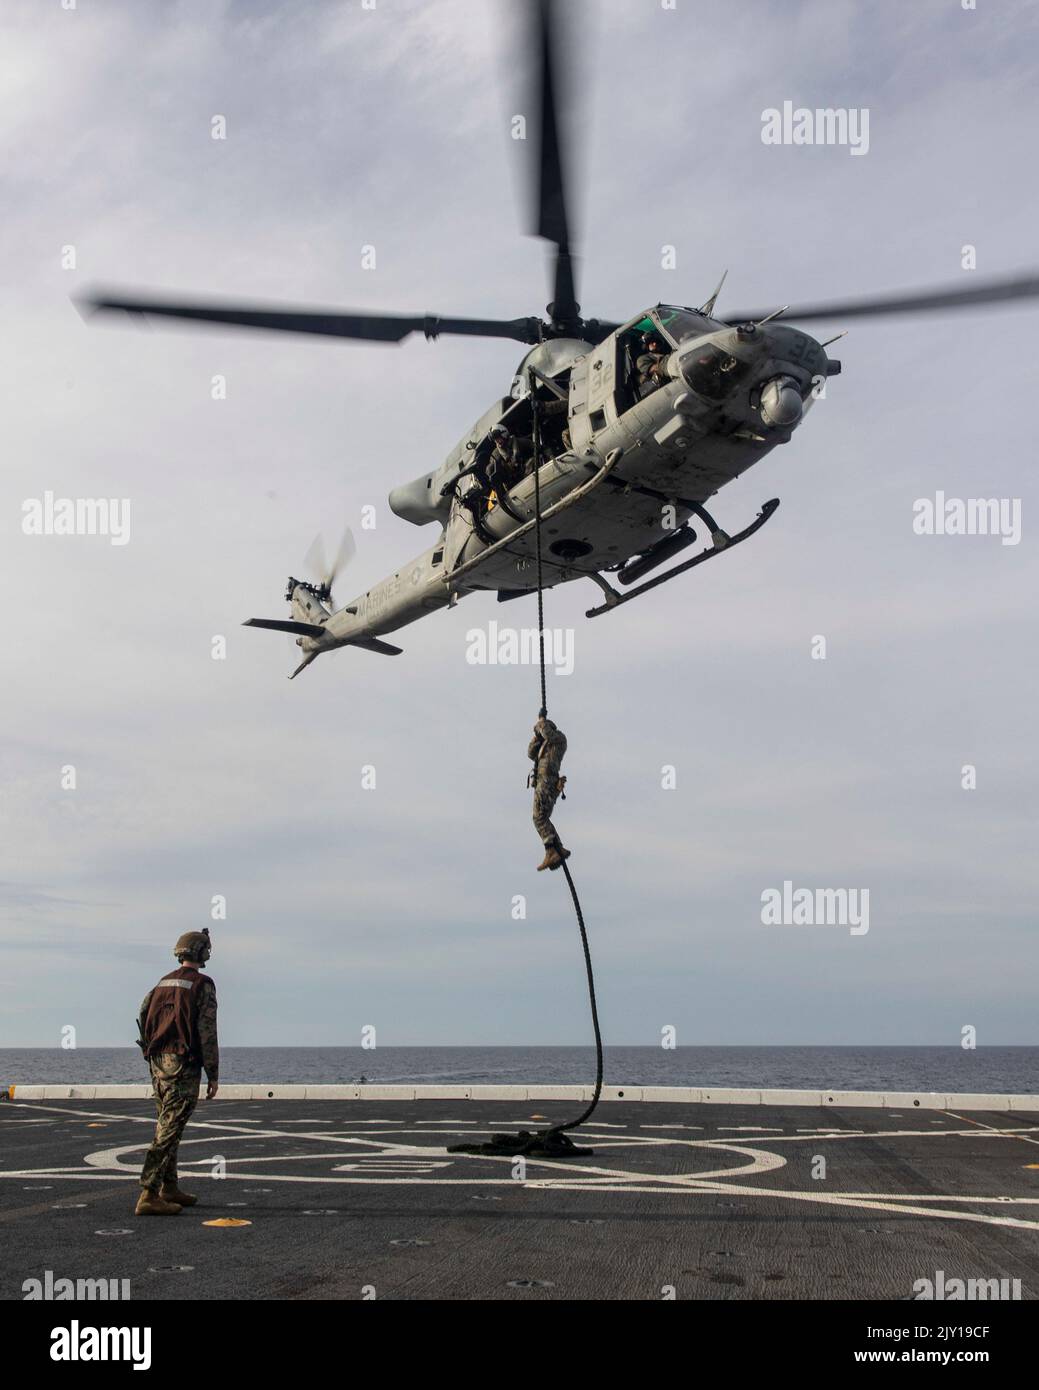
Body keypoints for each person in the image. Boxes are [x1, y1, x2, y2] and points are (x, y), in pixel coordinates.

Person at [134, 928, 219, 1216]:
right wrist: (213, 1072)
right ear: (200, 952)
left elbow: (144, 1014)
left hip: (157, 1061)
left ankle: (169, 1187)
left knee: (168, 1122)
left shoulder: (162, 983)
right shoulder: (202, 985)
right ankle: (148, 1192)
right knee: (170, 1127)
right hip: (183, 1062)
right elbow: (207, 1031)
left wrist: (152, 1052)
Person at [527, 715, 571, 871]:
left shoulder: (558, 739)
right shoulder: (544, 743)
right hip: (543, 781)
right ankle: (556, 848)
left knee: (538, 817)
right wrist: (536, 736)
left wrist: (540, 724)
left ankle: (551, 850)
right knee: (542, 816)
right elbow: (531, 753)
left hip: (547, 780)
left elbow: (548, 734)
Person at [635, 331, 671, 397]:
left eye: (657, 342)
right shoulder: (642, 359)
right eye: (652, 342)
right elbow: (654, 369)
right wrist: (671, 360)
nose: (655, 344)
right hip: (663, 390)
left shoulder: (665, 354)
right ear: (646, 344)